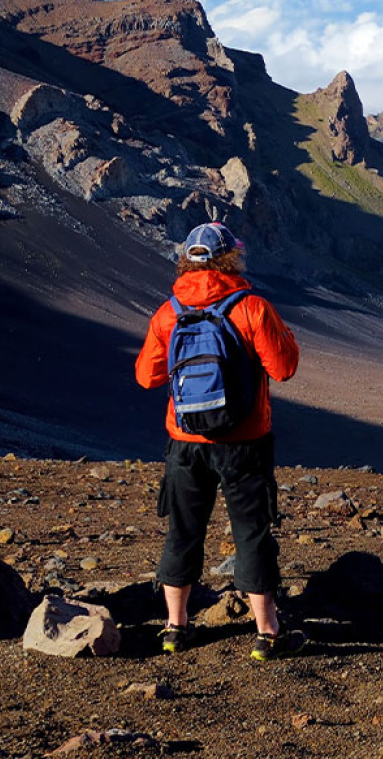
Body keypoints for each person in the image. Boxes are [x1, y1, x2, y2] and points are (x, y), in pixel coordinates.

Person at [134, 222, 305, 660]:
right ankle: (268, 634)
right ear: (230, 257)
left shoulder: (168, 312)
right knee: (252, 534)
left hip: (184, 441)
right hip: (244, 442)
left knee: (184, 530)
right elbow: (283, 367)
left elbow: (147, 376)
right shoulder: (250, 307)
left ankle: (175, 628)